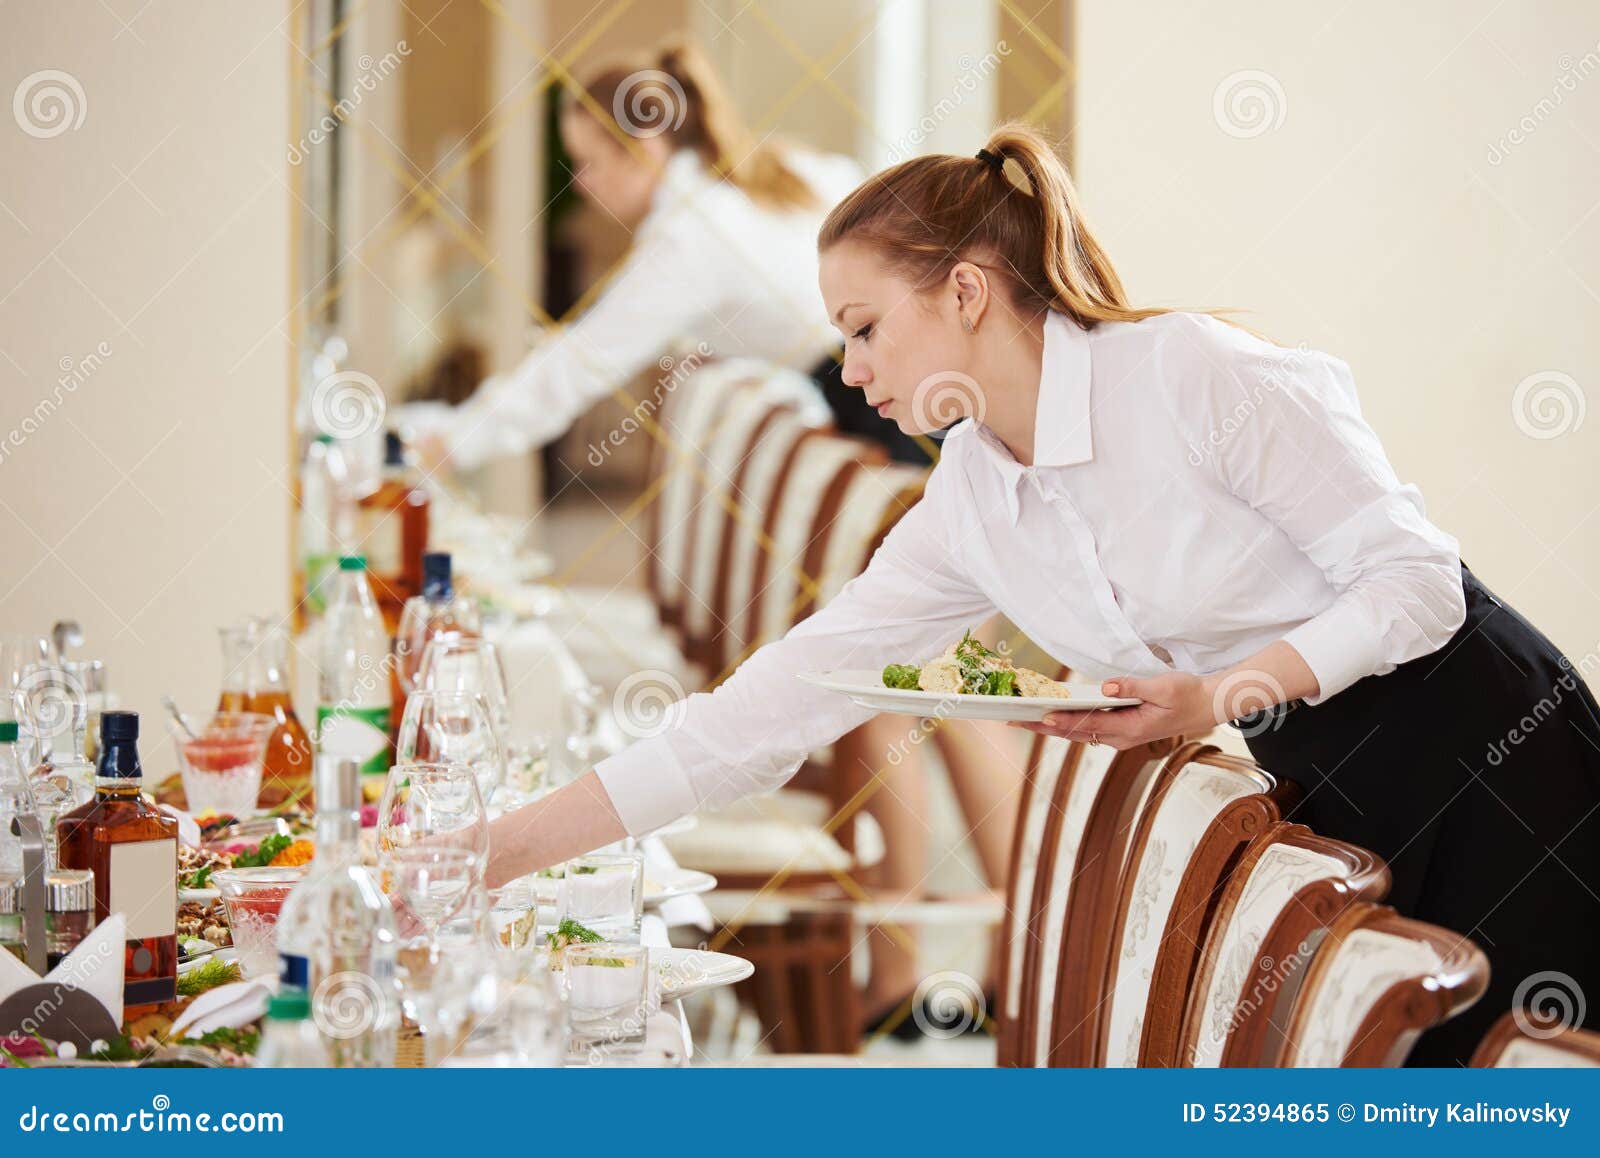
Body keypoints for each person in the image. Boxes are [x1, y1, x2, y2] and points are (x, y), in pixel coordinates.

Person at [485, 122, 1600, 1066]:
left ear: (965, 291)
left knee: (1542, 1069)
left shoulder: (1185, 375)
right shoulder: (971, 499)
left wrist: (1217, 694)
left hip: (1488, 739)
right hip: (1319, 769)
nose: (853, 372)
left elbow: (1416, 586)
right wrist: (495, 853)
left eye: (864, 330)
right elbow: (767, 710)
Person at [400, 40, 860, 469]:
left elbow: (583, 362)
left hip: (864, 398)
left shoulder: (690, 234)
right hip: (874, 371)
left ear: (643, 149)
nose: (580, 183)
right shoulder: (770, 168)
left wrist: (452, 442)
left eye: (589, 161)